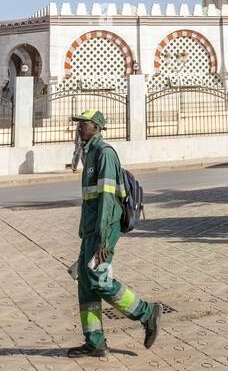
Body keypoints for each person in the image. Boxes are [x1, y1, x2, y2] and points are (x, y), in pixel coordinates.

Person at [66, 109, 160, 357]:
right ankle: (94, 342)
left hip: (103, 231)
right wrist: (85, 232)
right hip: (90, 231)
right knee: (86, 284)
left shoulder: (105, 154)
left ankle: (146, 312)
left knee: (99, 280)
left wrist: (103, 238)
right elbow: (91, 202)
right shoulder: (90, 154)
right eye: (78, 124)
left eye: (83, 124)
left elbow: (108, 200)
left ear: (96, 127)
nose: (78, 128)